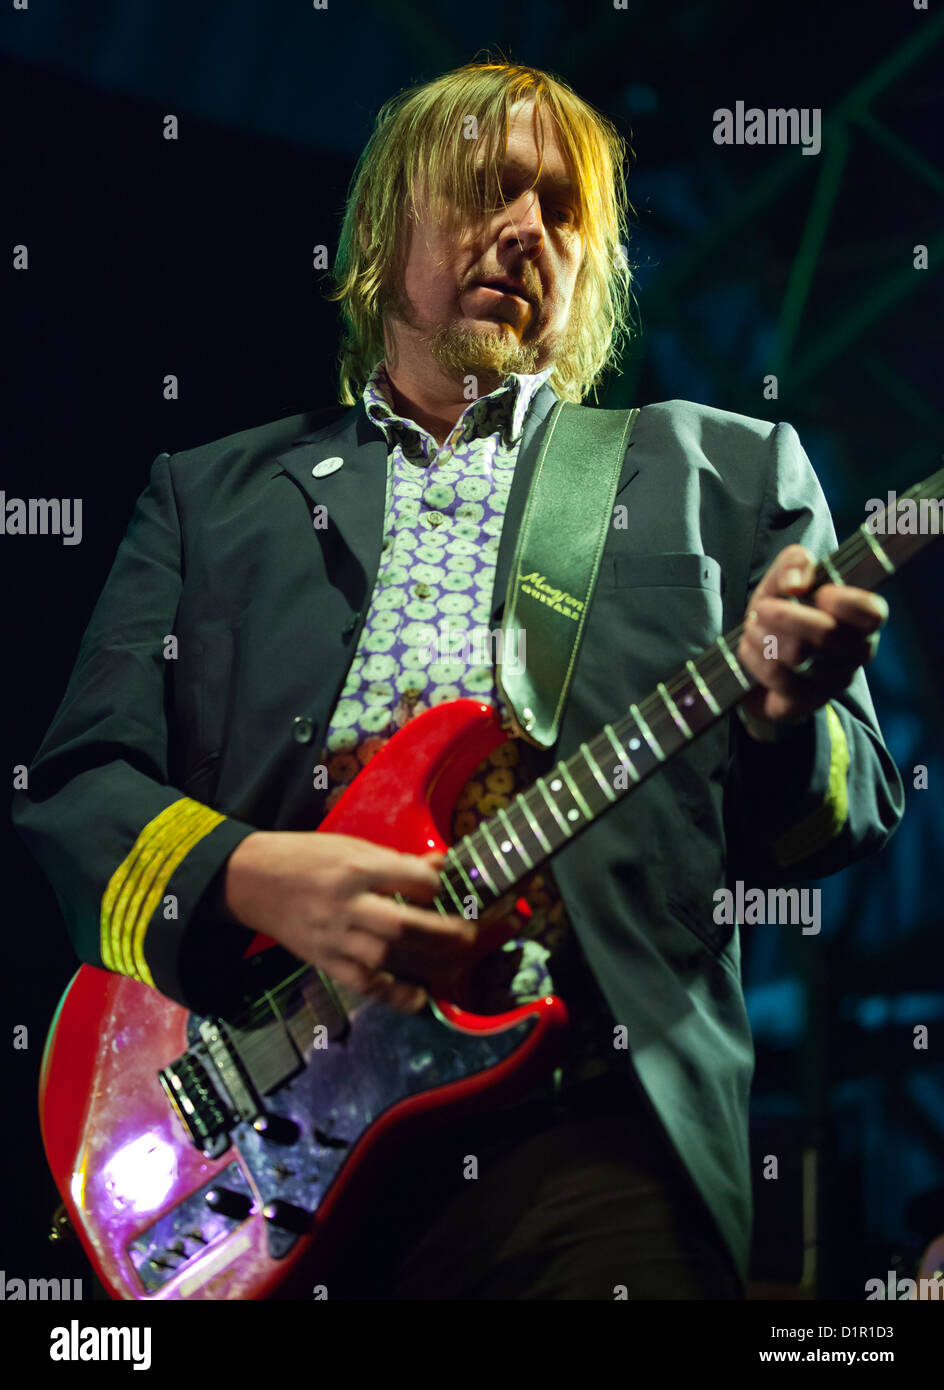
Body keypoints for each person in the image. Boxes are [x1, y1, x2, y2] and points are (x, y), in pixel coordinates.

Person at [12, 60, 904, 1300]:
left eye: (562, 209)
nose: (527, 229)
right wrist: (256, 877)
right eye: (487, 188)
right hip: (271, 1131)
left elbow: (842, 816)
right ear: (383, 228)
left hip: (589, 1121)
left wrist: (781, 715)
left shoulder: (726, 471)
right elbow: (75, 790)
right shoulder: (207, 497)